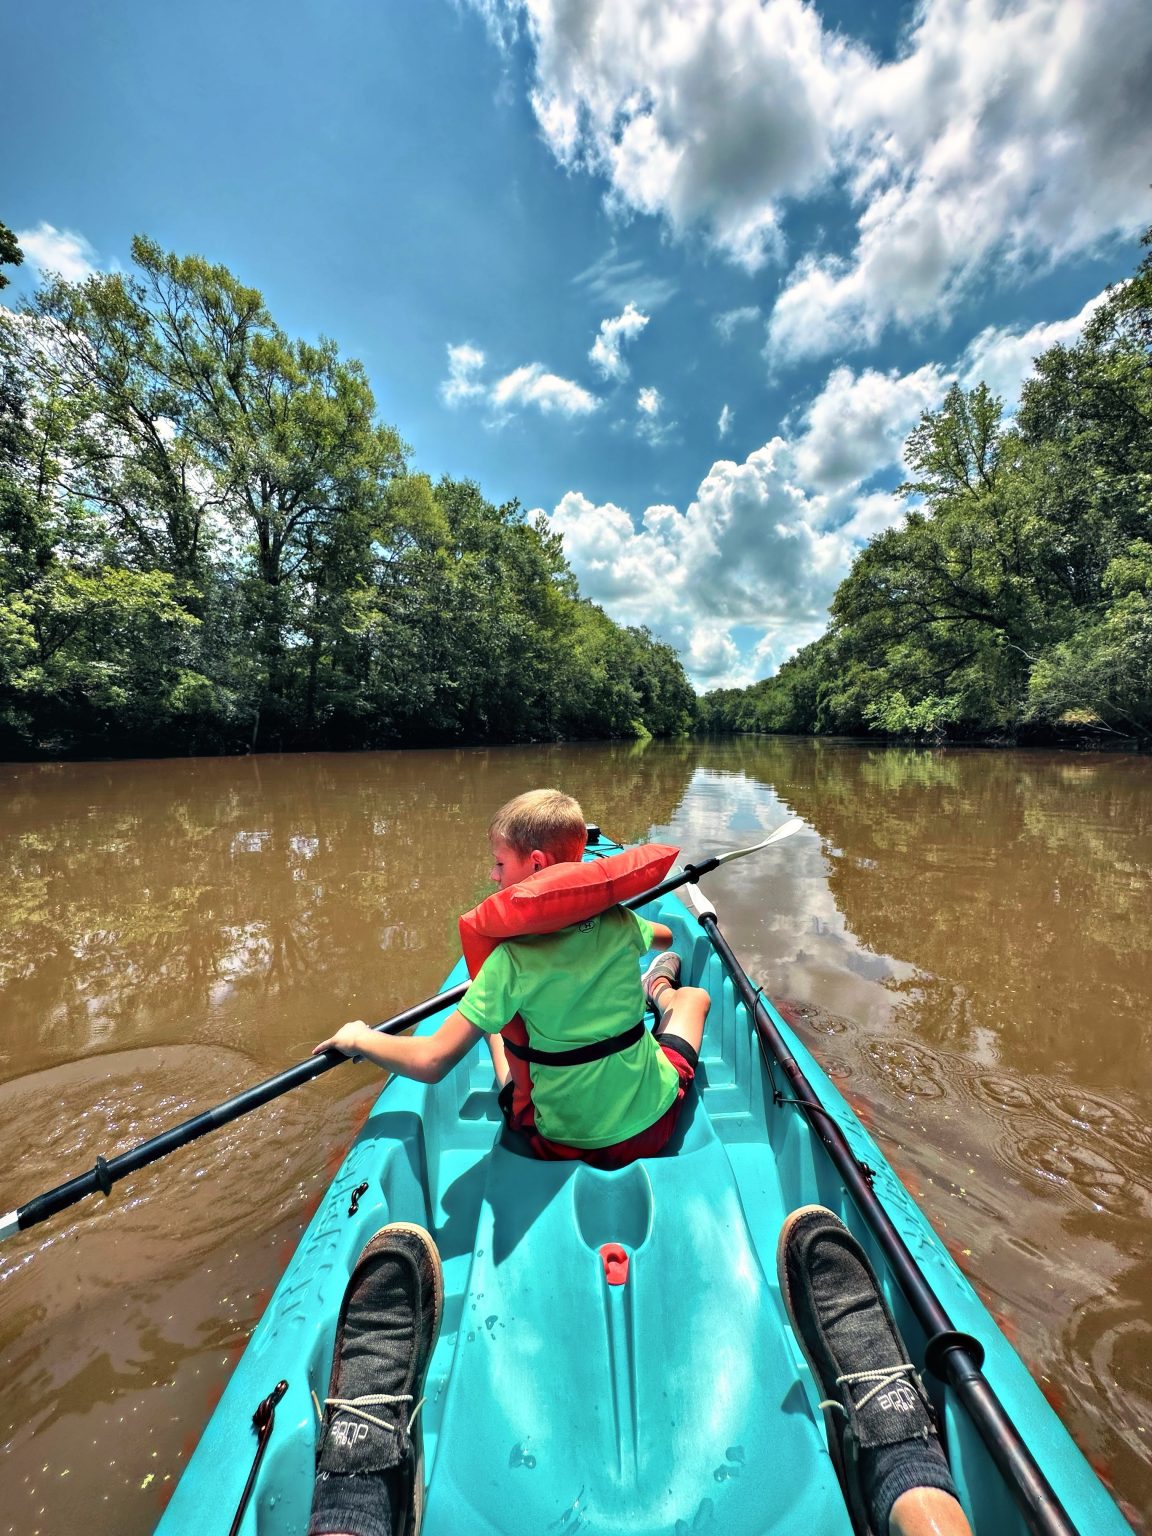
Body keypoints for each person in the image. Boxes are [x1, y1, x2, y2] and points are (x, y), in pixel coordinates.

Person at [308, 1208, 973, 1536]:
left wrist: (368, 1040)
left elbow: (443, 1059)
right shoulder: (632, 939)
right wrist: (666, 988)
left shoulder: (501, 979)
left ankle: (360, 1502)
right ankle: (902, 1470)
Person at [314, 789, 710, 1169]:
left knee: (497, 1030)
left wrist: (358, 1038)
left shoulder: (507, 961)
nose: (493, 874)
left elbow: (432, 1061)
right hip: (653, 1124)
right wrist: (612, 913)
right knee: (693, 998)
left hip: (559, 1141)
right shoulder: (619, 921)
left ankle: (652, 987)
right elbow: (666, 938)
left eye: (500, 863)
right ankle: (658, 988)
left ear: (537, 864)